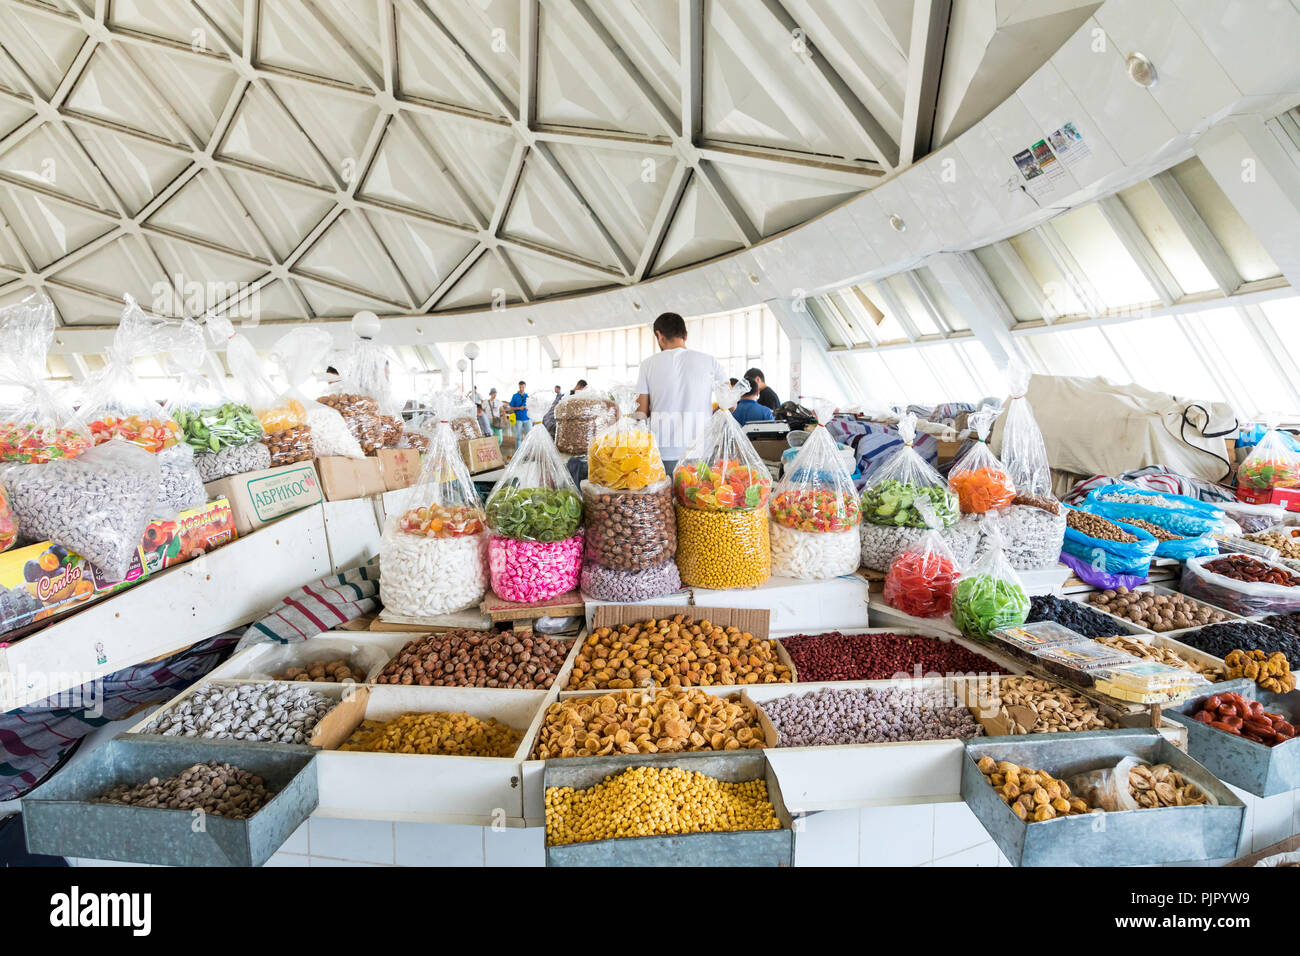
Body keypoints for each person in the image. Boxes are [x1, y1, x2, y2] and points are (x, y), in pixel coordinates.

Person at [636, 311, 725, 473]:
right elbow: (730, 405)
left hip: (663, 451)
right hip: (701, 450)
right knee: (698, 496)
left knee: (666, 498)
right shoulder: (710, 361)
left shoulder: (647, 365)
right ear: (686, 335)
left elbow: (641, 413)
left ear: (659, 335)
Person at [509, 381, 531, 445]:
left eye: (523, 387)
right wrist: (518, 408)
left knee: (529, 436)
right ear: (518, 386)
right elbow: (511, 407)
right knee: (518, 437)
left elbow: (531, 406)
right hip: (518, 419)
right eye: (520, 387)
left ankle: (527, 452)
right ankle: (518, 453)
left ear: (525, 387)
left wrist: (528, 407)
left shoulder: (527, 396)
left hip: (527, 418)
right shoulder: (515, 396)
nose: (521, 388)